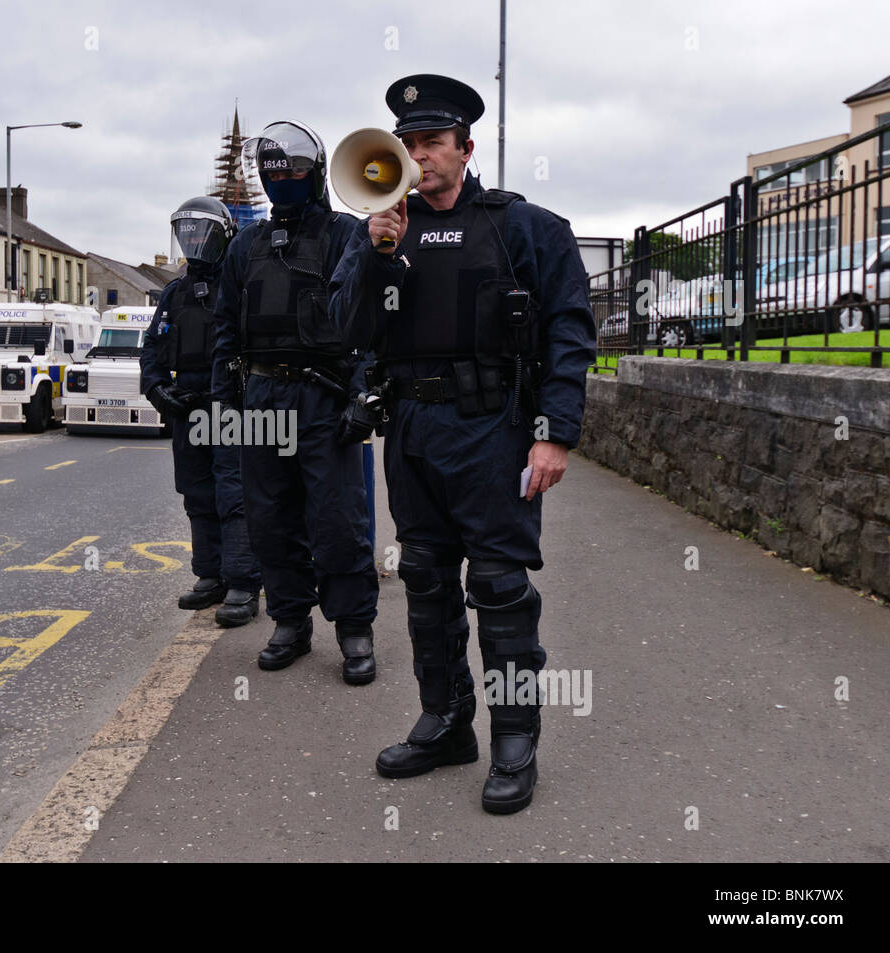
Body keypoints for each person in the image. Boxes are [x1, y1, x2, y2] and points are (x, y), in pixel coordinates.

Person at [334, 75, 596, 812]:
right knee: (424, 577)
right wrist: (379, 255)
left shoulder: (524, 227)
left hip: (494, 433)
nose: (420, 157)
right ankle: (446, 722)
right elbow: (347, 332)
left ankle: (516, 735)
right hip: (413, 432)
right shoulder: (379, 228)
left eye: (433, 143)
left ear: (464, 148)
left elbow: (570, 333)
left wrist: (556, 434)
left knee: (501, 589)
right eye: (407, 144)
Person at [212, 120, 380, 684]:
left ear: (314, 174)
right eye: (272, 171)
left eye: (292, 170)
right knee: (270, 517)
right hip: (261, 398)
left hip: (323, 395)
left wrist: (364, 393)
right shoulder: (246, 244)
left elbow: (370, 321)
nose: (282, 178)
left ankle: (354, 627)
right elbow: (223, 329)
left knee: (337, 520)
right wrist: (222, 404)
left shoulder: (344, 234)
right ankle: (290, 620)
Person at [142, 197, 262, 627]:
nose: (193, 241)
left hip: (230, 399)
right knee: (197, 494)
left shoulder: (241, 284)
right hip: (187, 402)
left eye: (201, 232)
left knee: (235, 494)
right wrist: (158, 391)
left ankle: (243, 585)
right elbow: (151, 351)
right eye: (186, 232)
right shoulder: (175, 293)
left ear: (224, 234)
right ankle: (209, 577)